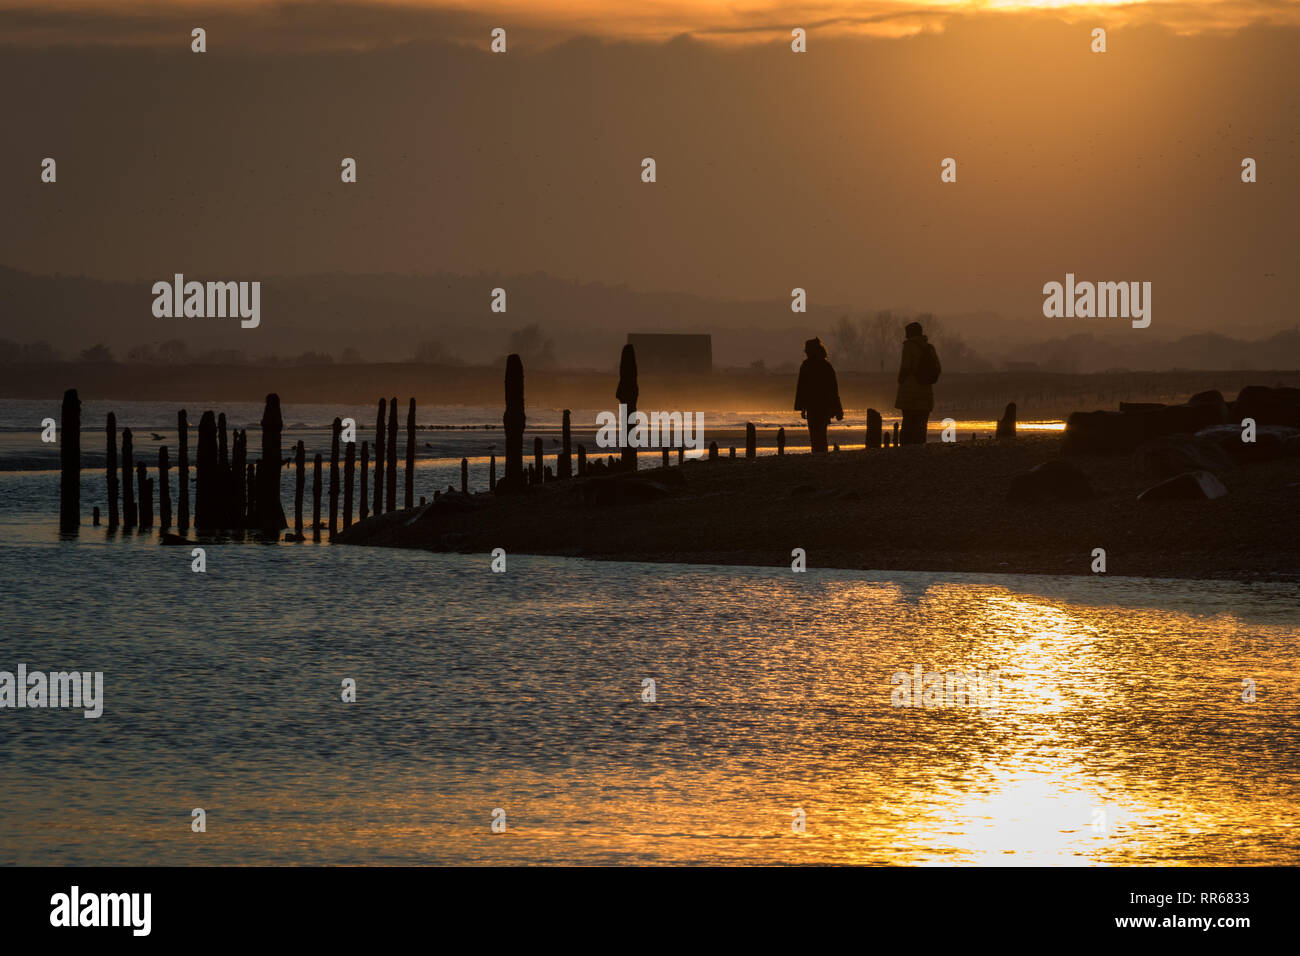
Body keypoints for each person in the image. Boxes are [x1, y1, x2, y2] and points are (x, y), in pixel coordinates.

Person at [794, 337, 843, 455]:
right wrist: (837, 409)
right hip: (824, 406)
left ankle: (817, 453)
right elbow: (833, 390)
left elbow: (801, 388)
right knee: (822, 433)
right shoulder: (826, 366)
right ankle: (822, 454)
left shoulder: (806, 365)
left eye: (806, 350)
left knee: (814, 434)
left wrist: (801, 406)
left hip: (813, 406)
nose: (805, 352)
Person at [895, 321, 940, 444]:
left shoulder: (909, 346)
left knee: (908, 423)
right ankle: (920, 446)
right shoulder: (929, 348)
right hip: (925, 393)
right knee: (921, 424)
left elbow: (905, 367)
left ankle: (906, 448)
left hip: (909, 393)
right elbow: (937, 368)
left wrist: (900, 380)